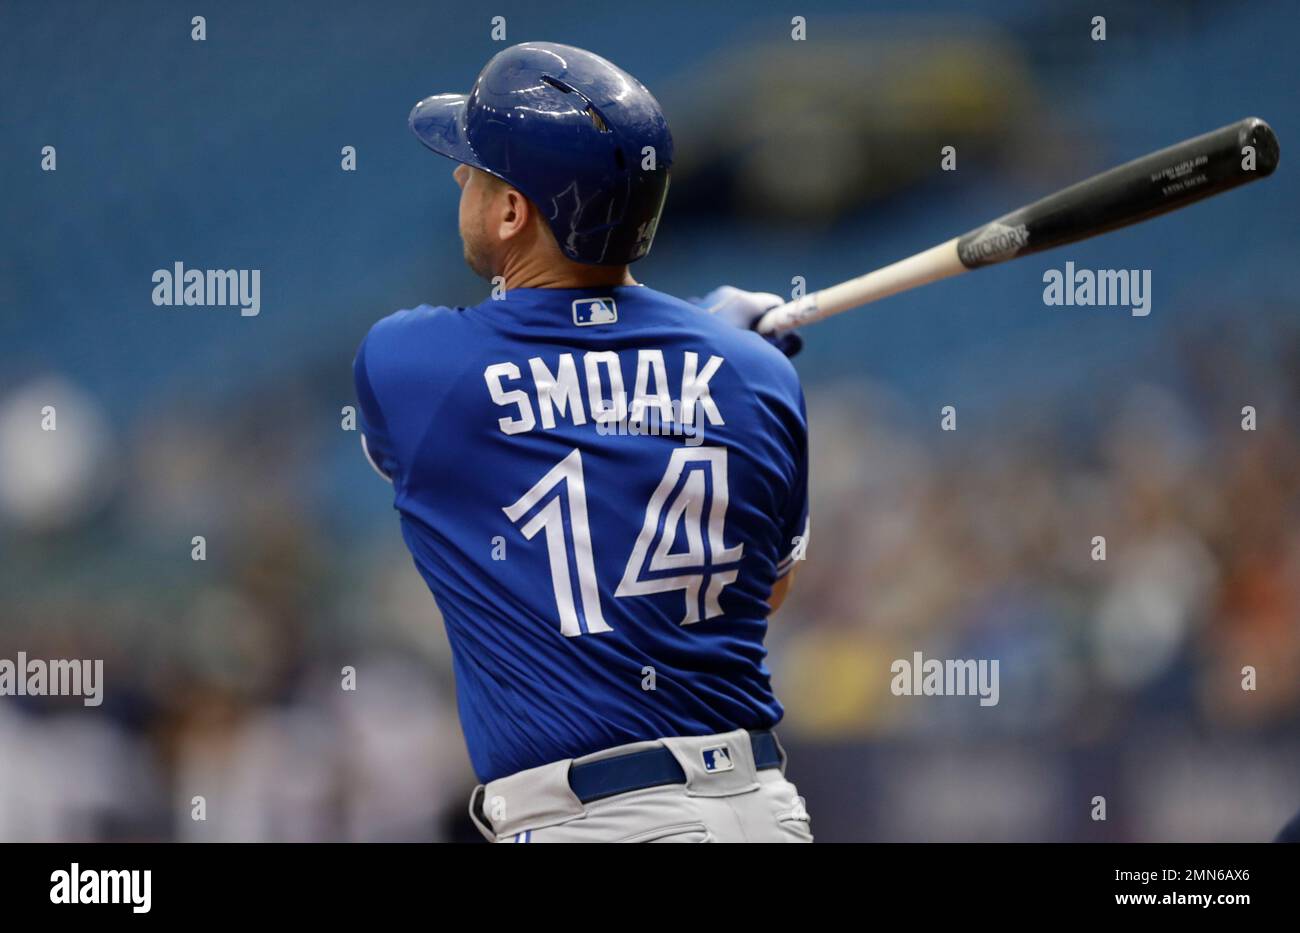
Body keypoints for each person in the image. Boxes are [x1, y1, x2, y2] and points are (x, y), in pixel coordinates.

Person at [354, 41, 811, 842]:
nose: (462, 175)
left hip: (597, 821)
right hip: (763, 810)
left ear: (511, 212)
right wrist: (710, 346)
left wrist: (700, 332)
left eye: (478, 168)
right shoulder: (759, 377)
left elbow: (558, 381)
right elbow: (761, 594)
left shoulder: (411, 364)